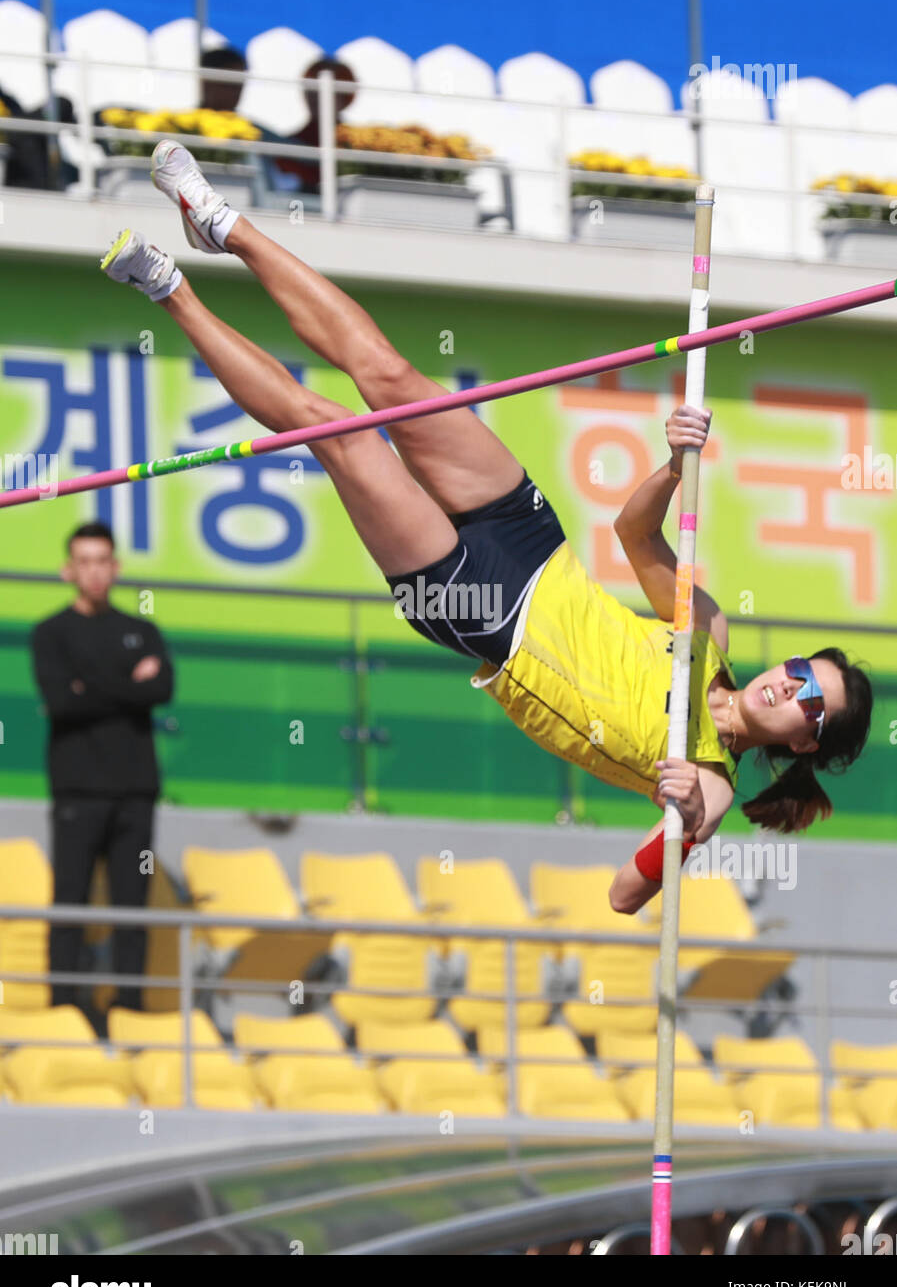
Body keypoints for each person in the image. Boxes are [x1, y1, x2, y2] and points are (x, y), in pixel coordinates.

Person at [99, 142, 873, 915]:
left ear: (803, 743)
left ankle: (171, 291)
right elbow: (634, 536)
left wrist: (679, 825)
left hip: (484, 616)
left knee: (335, 432)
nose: (789, 682)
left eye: (809, 699)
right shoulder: (708, 635)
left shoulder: (707, 780)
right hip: (534, 544)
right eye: (803, 668)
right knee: (390, 378)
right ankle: (218, 222)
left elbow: (622, 895)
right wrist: (672, 468)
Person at [31, 522, 174, 1022]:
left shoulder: (144, 630)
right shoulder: (49, 634)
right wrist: (126, 685)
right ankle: (62, 1011)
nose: (93, 571)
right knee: (68, 903)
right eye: (84, 561)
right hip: (77, 792)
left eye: (102, 560)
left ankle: (128, 1011)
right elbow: (59, 703)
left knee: (130, 909)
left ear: (116, 567)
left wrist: (87, 687)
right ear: (68, 570)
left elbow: (161, 691)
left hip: (135, 793)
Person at [271, 57, 358, 194]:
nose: (315, 96)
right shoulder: (289, 144)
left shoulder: (356, 144)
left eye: (325, 90)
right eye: (311, 89)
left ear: (345, 96)